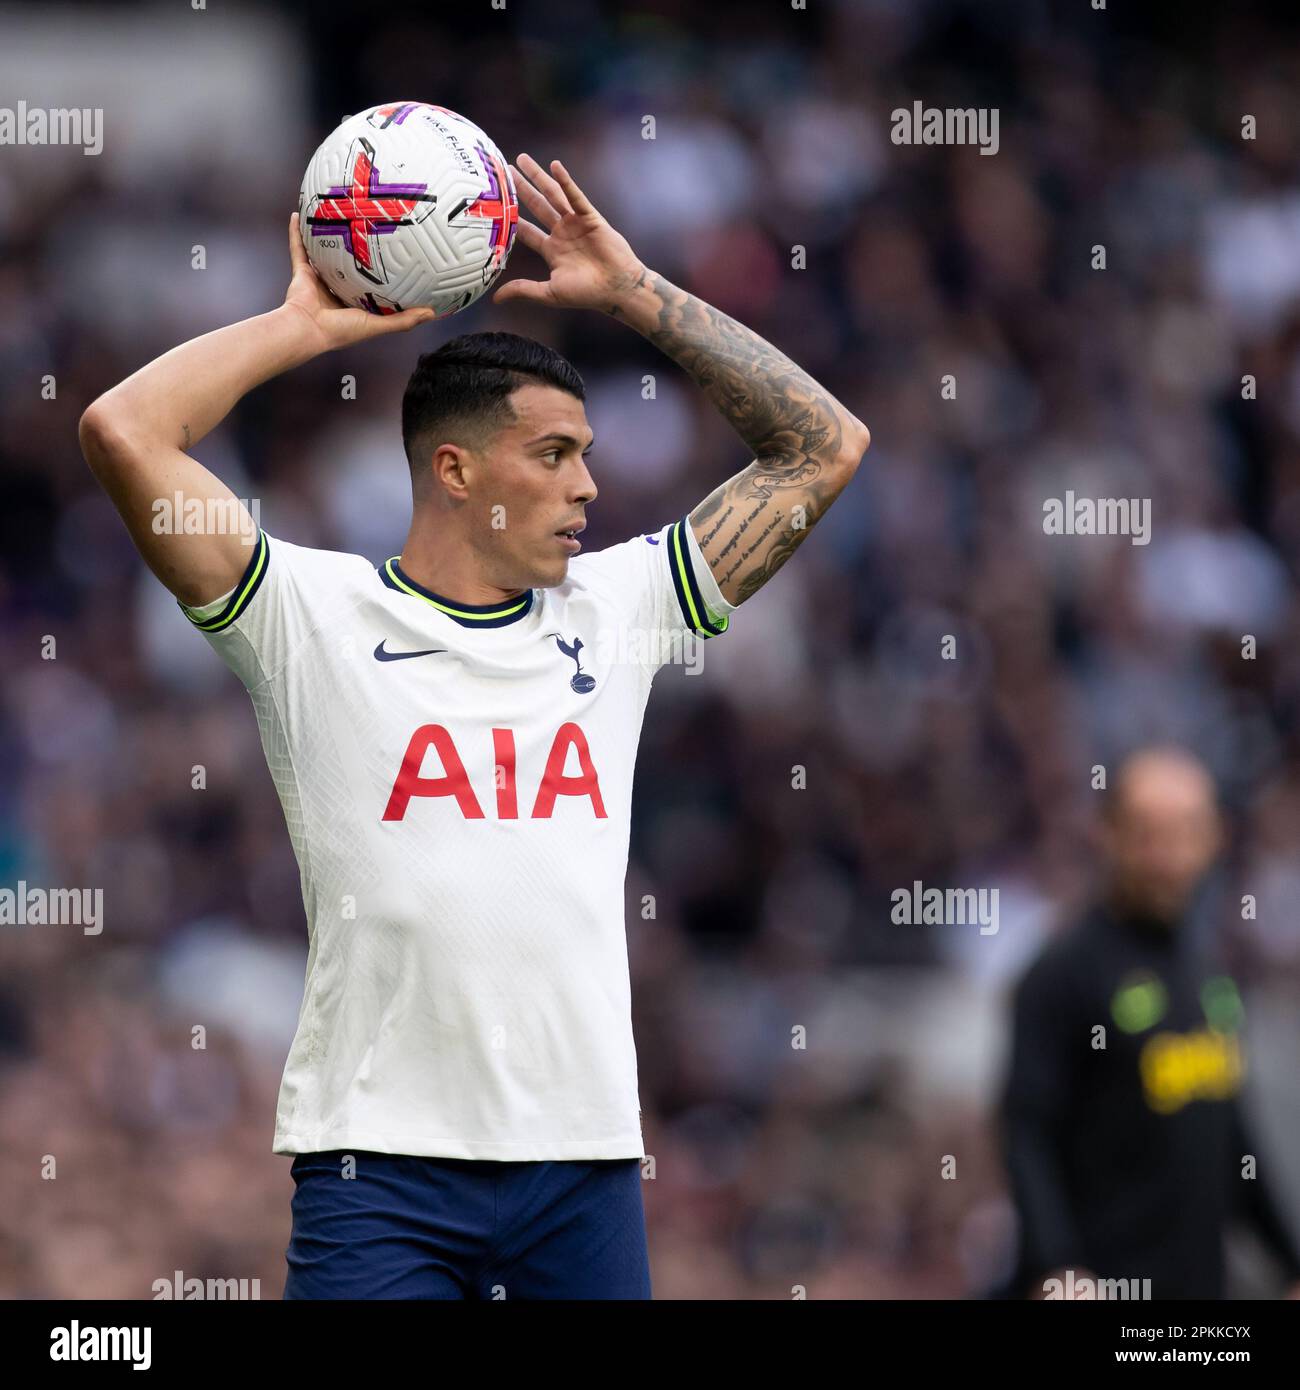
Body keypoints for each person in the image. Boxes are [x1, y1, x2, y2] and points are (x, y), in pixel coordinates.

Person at [77, 153, 870, 1299]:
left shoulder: (621, 609)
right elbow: (123, 431)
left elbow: (824, 445)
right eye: (553, 456)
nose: (587, 488)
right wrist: (302, 325)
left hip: (581, 1163)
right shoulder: (310, 616)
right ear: (453, 469)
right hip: (379, 1167)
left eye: (587, 457)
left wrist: (640, 296)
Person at [1001, 746, 1300, 1300]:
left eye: (1187, 831)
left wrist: (1289, 1263)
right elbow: (1028, 1131)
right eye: (1149, 832)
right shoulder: (1061, 975)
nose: (1169, 855)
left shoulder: (1210, 975)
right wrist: (1057, 1267)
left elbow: (1231, 1138)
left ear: (1215, 839)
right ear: (1108, 834)